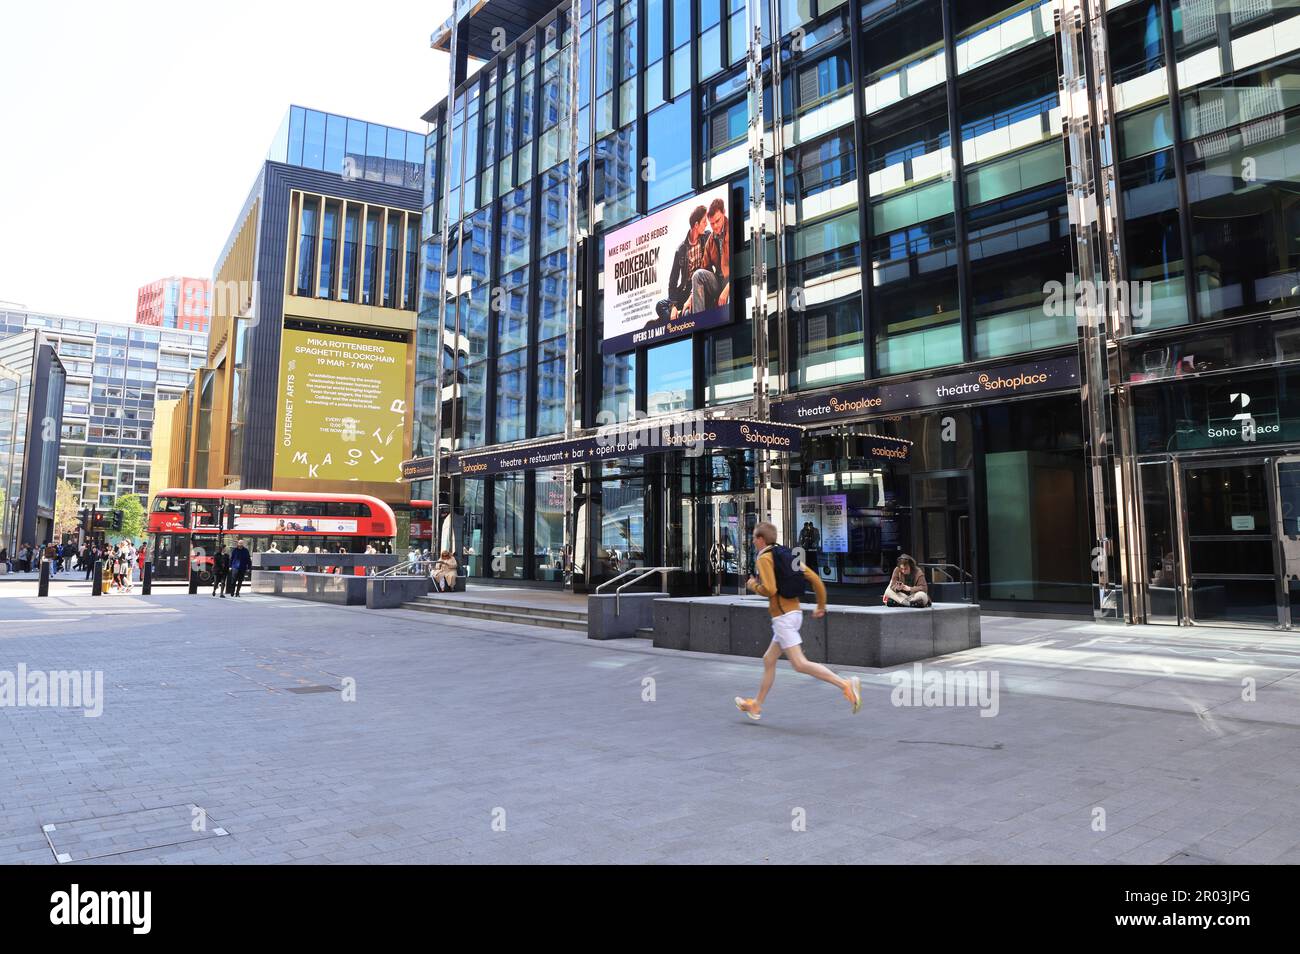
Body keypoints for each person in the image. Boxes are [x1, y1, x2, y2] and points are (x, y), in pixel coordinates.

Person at [734, 522, 861, 722]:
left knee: (800, 664)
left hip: (783, 617)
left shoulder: (765, 558)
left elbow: (770, 589)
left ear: (761, 539)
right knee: (769, 659)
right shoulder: (786, 555)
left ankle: (845, 684)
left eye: (753, 538)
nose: (752, 542)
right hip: (794, 613)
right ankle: (756, 705)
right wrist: (821, 605)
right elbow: (815, 578)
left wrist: (753, 585)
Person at [654, 205, 710, 324]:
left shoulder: (707, 237)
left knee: (688, 311)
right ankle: (677, 317)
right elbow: (673, 281)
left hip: (701, 284)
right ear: (696, 224)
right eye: (704, 222)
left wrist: (690, 299)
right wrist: (673, 305)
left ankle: (679, 319)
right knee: (660, 305)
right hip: (685, 288)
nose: (706, 224)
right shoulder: (681, 250)